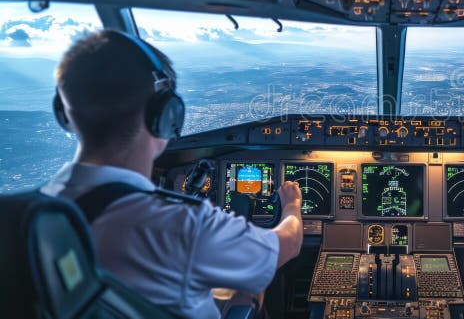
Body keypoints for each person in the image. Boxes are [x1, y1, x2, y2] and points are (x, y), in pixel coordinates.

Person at [41, 30, 304, 319]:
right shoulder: (181, 225)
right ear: (167, 117)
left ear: (63, 113)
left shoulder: (24, 215)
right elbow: (286, 245)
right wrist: (291, 205)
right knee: (249, 291)